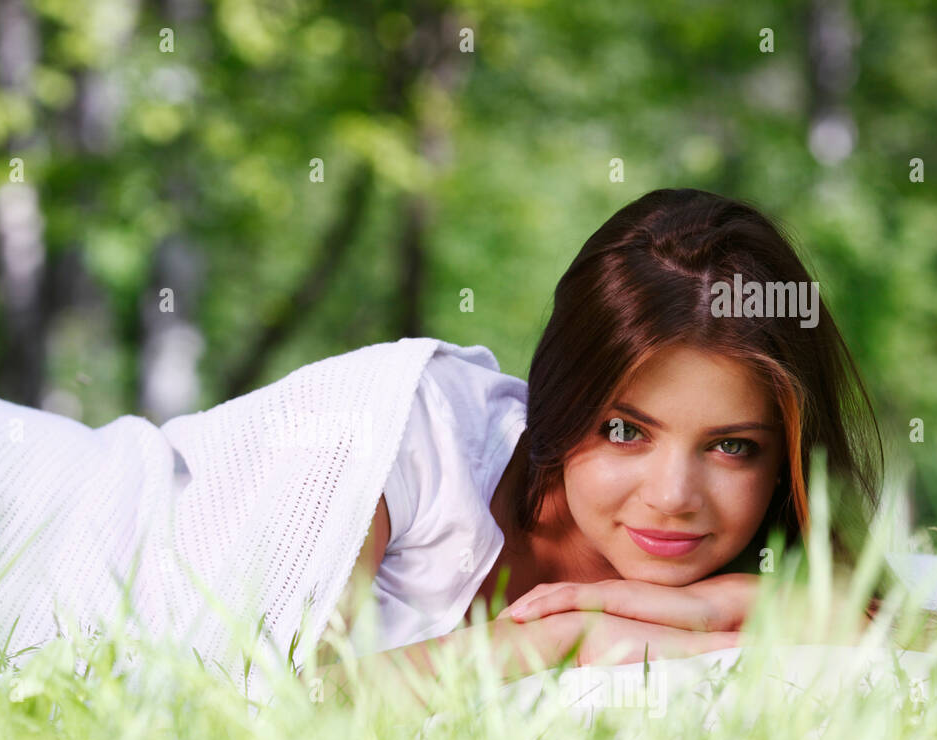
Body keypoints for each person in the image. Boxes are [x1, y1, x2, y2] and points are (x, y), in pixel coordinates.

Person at [310, 187, 885, 703]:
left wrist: (727, 606)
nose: (673, 497)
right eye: (626, 431)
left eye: (732, 447)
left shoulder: (752, 571)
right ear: (559, 405)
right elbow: (265, 702)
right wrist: (562, 638)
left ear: (786, 462)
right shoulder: (403, 432)